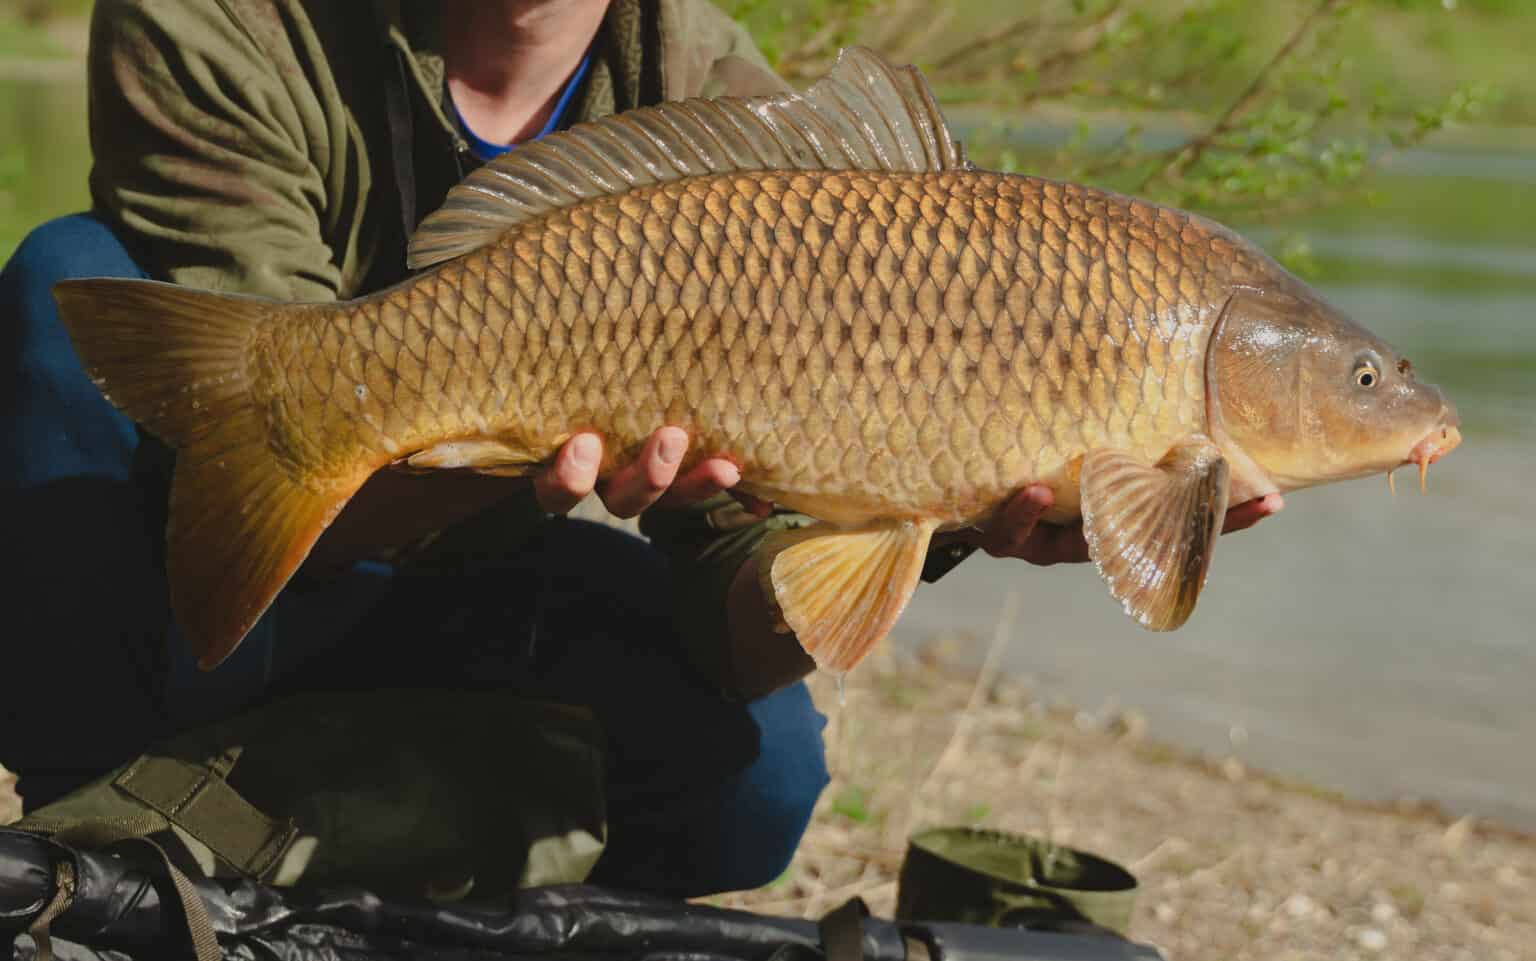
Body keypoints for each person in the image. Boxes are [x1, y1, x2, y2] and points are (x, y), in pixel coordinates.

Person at [0, 0, 1282, 897]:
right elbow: (280, 411)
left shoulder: (722, 93)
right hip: (259, 544)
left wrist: (939, 516)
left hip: (512, 564)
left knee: (758, 790)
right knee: (65, 283)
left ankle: (302, 816)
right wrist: (473, 453)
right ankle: (92, 841)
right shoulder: (220, 15)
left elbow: (743, 597)